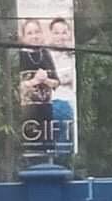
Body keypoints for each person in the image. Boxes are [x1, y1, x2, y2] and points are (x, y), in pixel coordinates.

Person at [18, 19, 59, 154]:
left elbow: (56, 82)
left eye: (37, 32)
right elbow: (14, 87)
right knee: (30, 150)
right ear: (23, 37)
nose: (34, 36)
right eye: (30, 33)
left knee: (47, 150)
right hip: (26, 113)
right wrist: (34, 81)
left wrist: (46, 80)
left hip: (46, 112)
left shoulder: (45, 54)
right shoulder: (19, 56)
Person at [47, 17, 75, 155]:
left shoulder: (73, 56)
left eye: (64, 32)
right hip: (46, 103)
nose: (60, 36)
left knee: (64, 147)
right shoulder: (44, 55)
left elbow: (68, 78)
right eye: (56, 33)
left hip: (66, 103)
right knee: (43, 145)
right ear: (51, 34)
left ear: (69, 34)